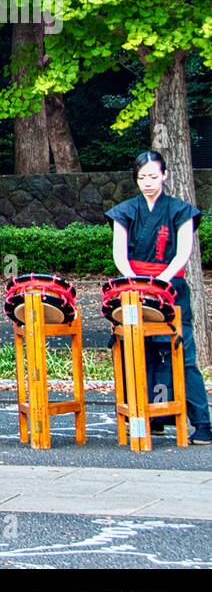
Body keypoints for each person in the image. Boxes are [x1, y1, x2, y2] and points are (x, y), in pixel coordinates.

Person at [105, 150, 212, 444]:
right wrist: (137, 282)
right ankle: (151, 416)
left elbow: (183, 254)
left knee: (183, 354)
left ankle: (202, 422)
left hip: (171, 288)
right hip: (135, 287)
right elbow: (120, 255)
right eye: (142, 177)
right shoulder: (125, 211)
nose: (148, 182)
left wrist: (161, 281)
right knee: (139, 351)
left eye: (153, 176)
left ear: (164, 175)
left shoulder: (180, 210)